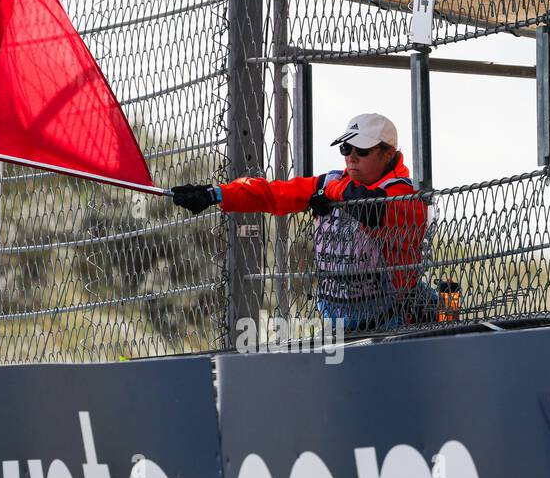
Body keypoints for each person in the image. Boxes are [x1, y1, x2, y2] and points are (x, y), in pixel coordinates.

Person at [171, 113, 438, 332]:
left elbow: (373, 210)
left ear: (388, 154)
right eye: (346, 147)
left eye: (363, 150)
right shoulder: (333, 182)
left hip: (396, 323)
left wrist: (332, 192)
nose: (351, 156)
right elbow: (274, 193)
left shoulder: (405, 194)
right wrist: (216, 194)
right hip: (344, 326)